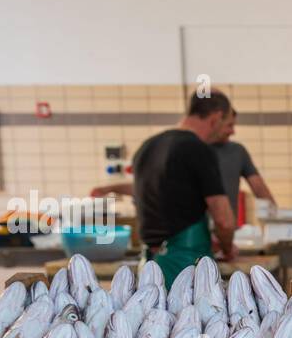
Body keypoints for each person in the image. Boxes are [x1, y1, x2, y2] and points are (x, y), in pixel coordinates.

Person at [91, 89, 235, 286]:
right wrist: (227, 248)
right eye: (228, 123)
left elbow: (148, 188)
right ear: (216, 117)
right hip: (187, 266)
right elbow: (223, 218)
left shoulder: (148, 147)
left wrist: (108, 189)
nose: (231, 131)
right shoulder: (198, 149)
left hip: (150, 263)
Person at [212, 109, 276, 219]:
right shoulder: (194, 149)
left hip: (227, 228)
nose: (233, 131)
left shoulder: (237, 151)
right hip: (197, 229)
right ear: (214, 122)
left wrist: (277, 216)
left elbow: (259, 188)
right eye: (229, 125)